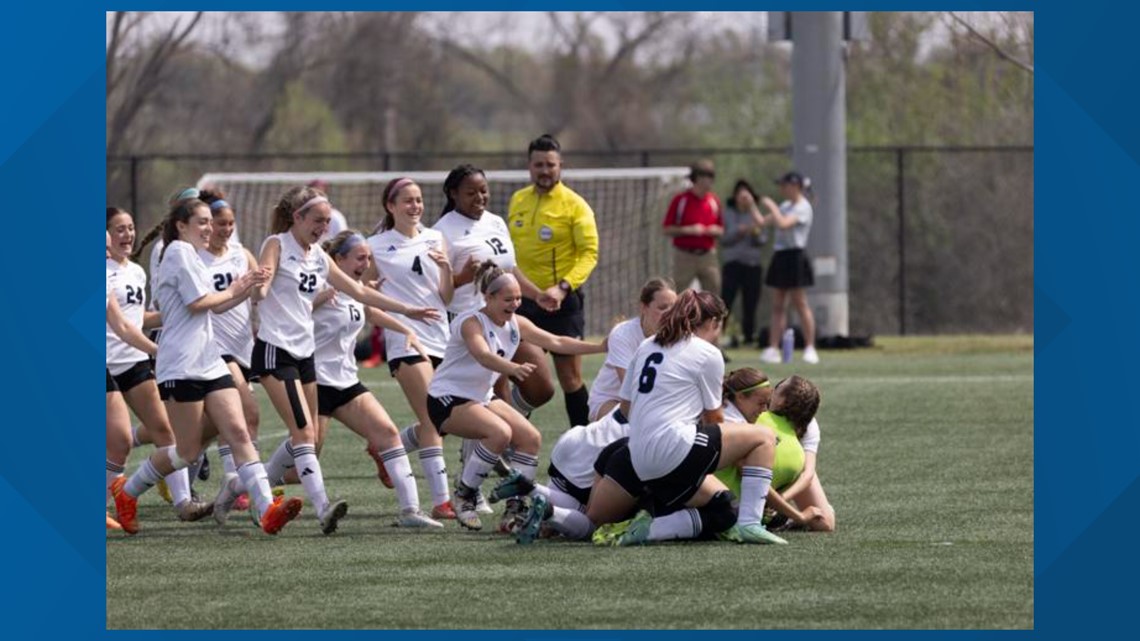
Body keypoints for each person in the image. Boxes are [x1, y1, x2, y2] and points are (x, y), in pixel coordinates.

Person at [253, 184, 440, 535]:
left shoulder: (318, 258)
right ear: (298, 217)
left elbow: (361, 294)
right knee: (305, 438)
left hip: (320, 365)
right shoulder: (277, 244)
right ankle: (315, 507)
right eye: (318, 220)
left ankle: (411, 509)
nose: (324, 227)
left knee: (383, 433)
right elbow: (264, 283)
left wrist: (408, 310)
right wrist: (257, 288)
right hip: (277, 352)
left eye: (327, 222)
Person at [111, 199, 303, 536]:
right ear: (181, 225)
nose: (209, 229)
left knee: (240, 432)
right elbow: (197, 303)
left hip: (209, 360)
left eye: (209, 223)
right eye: (201, 222)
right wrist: (236, 287)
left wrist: (247, 288)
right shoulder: (177, 253)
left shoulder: (193, 257)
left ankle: (266, 509)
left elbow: (214, 308)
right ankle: (126, 493)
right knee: (185, 451)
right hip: (180, 364)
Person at [601, 290, 796, 545]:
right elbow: (715, 421)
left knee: (725, 511)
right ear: (715, 323)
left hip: (639, 459)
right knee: (764, 437)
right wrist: (743, 449)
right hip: (672, 450)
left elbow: (626, 409)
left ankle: (649, 529)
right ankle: (751, 525)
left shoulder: (646, 345)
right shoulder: (707, 353)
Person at [426, 261, 606, 531]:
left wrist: (601, 347)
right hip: (447, 398)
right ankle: (464, 496)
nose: (515, 304)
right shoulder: (470, 321)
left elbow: (556, 342)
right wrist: (513, 368)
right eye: (508, 299)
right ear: (488, 298)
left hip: (481, 398)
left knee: (530, 438)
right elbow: (483, 355)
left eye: (519, 298)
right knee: (499, 433)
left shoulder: (516, 323)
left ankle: (516, 507)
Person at [312, 230, 442, 528]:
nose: (366, 263)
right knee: (300, 461)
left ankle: (411, 511)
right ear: (339, 259)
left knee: (388, 433)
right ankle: (243, 486)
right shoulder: (318, 284)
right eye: (361, 257)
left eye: (369, 257)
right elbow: (290, 314)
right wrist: (321, 297)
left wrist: (407, 327)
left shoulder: (354, 288)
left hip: (344, 382)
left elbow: (372, 311)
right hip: (312, 383)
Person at [106, 209, 212, 523]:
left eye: (130, 228)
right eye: (118, 229)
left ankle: (183, 503)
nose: (127, 235)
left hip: (134, 361)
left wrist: (179, 310)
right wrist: (159, 349)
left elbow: (139, 319)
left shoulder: (136, 272)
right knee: (120, 441)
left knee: (166, 430)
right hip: (107, 362)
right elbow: (122, 327)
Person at [363, 177, 456, 520]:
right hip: (404, 341)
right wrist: (396, 314)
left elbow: (445, 298)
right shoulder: (374, 245)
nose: (415, 206)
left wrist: (447, 269)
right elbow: (364, 298)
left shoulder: (435, 238)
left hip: (441, 339)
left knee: (445, 420)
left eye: (418, 200)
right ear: (391, 206)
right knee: (432, 416)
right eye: (407, 201)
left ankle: (386, 448)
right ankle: (442, 501)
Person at [434, 164, 556, 418]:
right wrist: (463, 277)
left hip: (507, 319)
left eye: (483, 190)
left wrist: (537, 294)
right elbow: (439, 291)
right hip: (475, 325)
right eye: (471, 193)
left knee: (542, 387)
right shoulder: (441, 232)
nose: (479, 197)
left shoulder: (496, 221)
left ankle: (503, 428)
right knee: (495, 403)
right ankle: (485, 447)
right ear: (453, 194)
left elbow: (510, 269)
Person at [508, 134, 600, 428]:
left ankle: (583, 446)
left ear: (561, 166)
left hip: (562, 303)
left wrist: (562, 288)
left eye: (550, 165)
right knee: (524, 374)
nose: (544, 171)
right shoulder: (518, 200)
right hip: (523, 303)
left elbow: (589, 253)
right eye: (538, 165)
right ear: (529, 166)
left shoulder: (575, 205)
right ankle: (509, 436)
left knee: (570, 379)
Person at [196, 190, 262, 511]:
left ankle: (181, 461)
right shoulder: (195, 257)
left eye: (231, 223)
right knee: (249, 413)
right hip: (215, 348)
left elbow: (261, 294)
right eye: (220, 223)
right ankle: (245, 483)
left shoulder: (241, 253)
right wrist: (242, 289)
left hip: (244, 346)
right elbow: (216, 306)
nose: (226, 229)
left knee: (213, 427)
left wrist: (263, 281)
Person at [715, 369, 830, 531]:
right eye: (761, 402)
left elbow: (808, 475)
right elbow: (746, 470)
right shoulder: (735, 418)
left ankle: (774, 515)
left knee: (825, 521)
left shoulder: (808, 425)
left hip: (769, 484)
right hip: (745, 484)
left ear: (781, 401)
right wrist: (795, 513)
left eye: (776, 389)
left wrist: (779, 502)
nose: (765, 406)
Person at [587, 277, 677, 422]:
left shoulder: (680, 335)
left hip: (655, 401)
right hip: (612, 399)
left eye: (673, 308)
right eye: (662, 308)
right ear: (643, 307)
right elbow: (629, 387)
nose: (669, 313)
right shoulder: (623, 333)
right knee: (629, 427)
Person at [759, 171, 819, 365]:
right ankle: (773, 348)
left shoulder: (803, 207)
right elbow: (762, 222)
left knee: (800, 303)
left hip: (795, 256)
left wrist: (771, 206)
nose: (782, 189)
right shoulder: (785, 206)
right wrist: (752, 204)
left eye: (785, 185)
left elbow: (784, 224)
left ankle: (810, 347)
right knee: (778, 305)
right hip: (781, 256)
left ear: (795, 186)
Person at [662, 160, 724, 294]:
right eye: (707, 177)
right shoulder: (680, 200)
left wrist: (714, 230)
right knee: (676, 294)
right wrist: (688, 230)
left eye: (712, 176)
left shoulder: (714, 201)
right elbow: (666, 228)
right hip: (684, 255)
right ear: (697, 179)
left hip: (708, 255)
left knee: (713, 294)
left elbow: (721, 229)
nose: (711, 181)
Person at [719, 180, 767, 348]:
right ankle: (718, 334)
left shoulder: (756, 214)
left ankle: (748, 336)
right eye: (740, 194)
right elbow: (724, 239)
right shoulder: (728, 214)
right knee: (726, 300)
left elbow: (762, 239)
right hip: (733, 263)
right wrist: (739, 231)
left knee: (751, 303)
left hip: (753, 265)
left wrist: (753, 231)